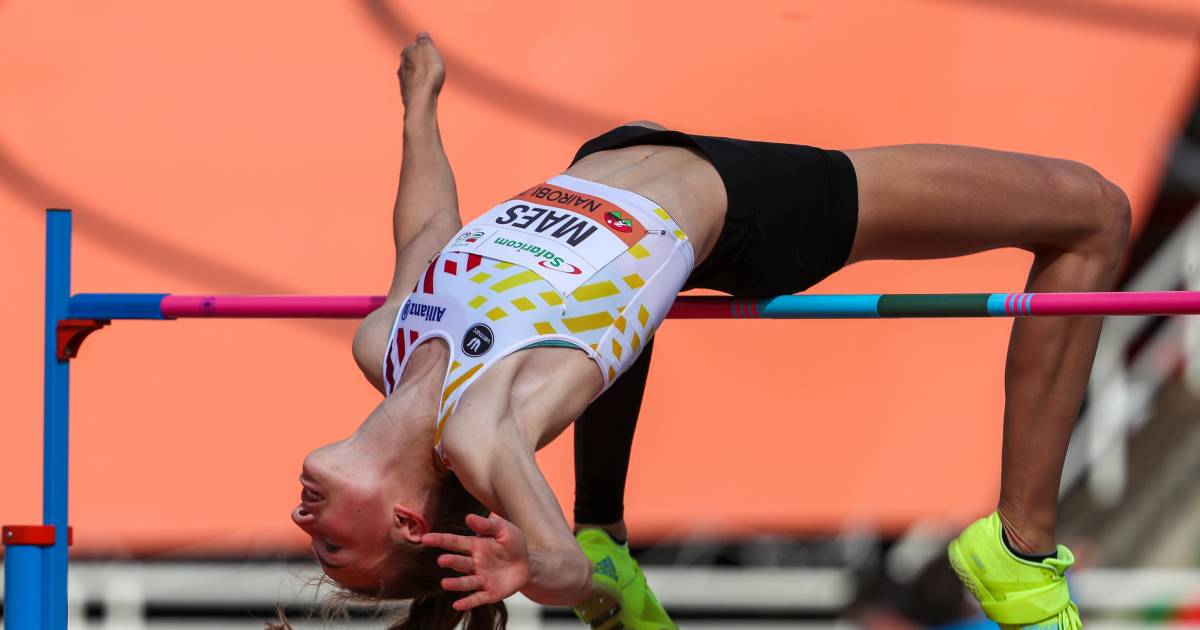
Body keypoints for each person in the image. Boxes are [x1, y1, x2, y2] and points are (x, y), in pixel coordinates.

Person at [288, 33, 1129, 630]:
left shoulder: (385, 345)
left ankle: (606, 531)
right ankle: (1020, 550)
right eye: (329, 541)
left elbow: (428, 231)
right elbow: (558, 569)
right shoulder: (481, 431)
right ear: (406, 521)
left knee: (608, 334)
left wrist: (420, 105)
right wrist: (541, 572)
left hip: (615, 159)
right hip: (749, 209)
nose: (300, 520)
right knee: (1091, 212)